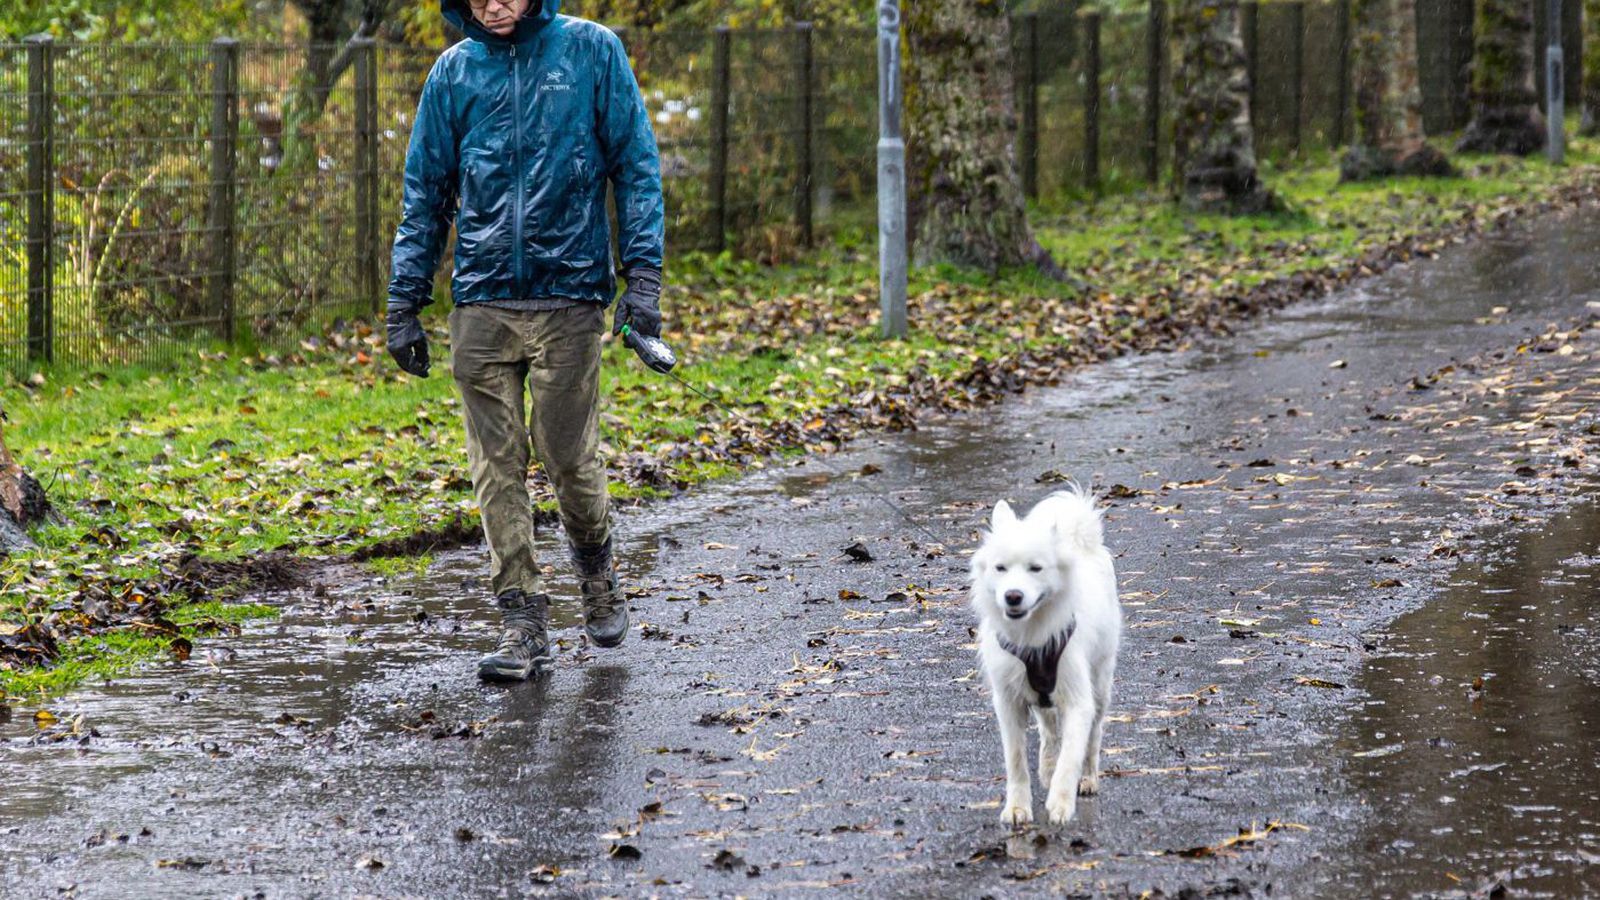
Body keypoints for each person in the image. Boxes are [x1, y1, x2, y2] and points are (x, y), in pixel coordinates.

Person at [384, 0, 664, 681]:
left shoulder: (592, 53)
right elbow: (425, 189)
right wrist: (405, 299)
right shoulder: (453, 73)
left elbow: (635, 166)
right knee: (495, 465)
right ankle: (523, 623)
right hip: (481, 300)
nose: (493, 6)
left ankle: (596, 567)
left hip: (570, 295)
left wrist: (644, 279)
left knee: (568, 457)